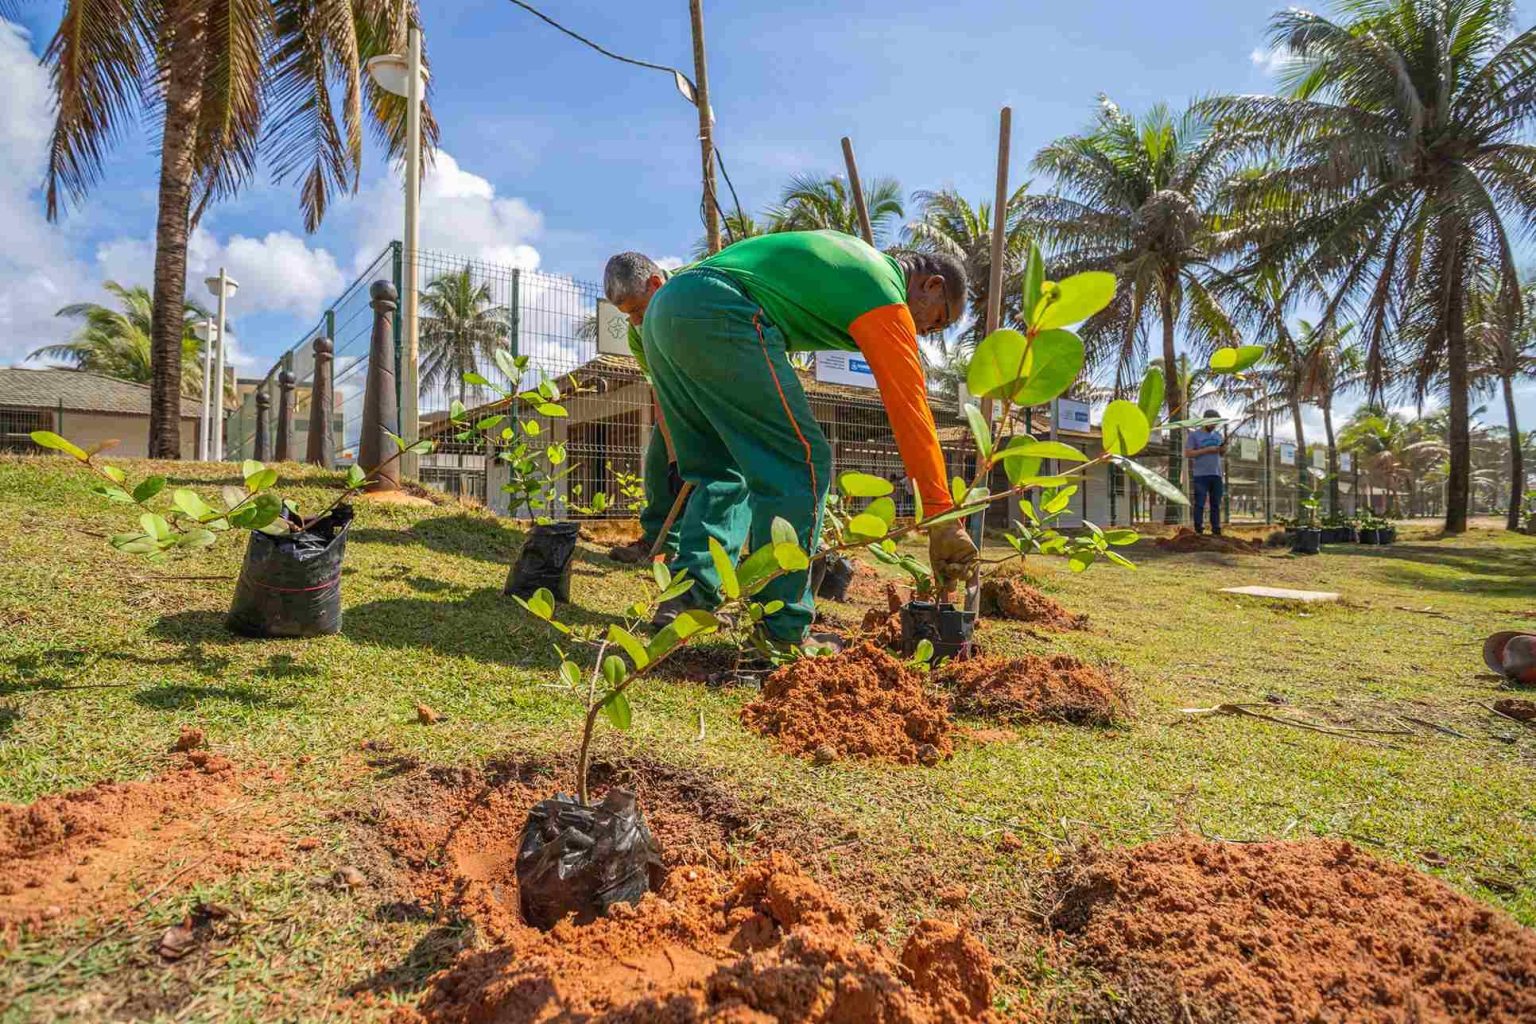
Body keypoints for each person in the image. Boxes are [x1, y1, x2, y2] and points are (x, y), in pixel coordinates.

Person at [641, 229, 979, 650]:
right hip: (720, 309)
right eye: (938, 321)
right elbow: (910, 409)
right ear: (932, 285)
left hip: (664, 313)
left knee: (721, 469)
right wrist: (942, 517)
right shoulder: (882, 290)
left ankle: (688, 599)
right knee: (802, 462)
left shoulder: (849, 263)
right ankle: (781, 631)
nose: (928, 332)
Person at [600, 253, 690, 564]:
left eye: (638, 310)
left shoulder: (698, 285)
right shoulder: (637, 334)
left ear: (655, 284)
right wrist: (676, 459)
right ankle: (658, 542)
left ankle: (704, 552)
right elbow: (661, 393)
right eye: (628, 315)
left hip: (734, 381)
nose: (636, 321)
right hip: (683, 394)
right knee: (657, 462)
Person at [1185, 411, 1227, 535]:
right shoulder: (1194, 436)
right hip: (1201, 474)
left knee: (1216, 503)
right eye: (1212, 422)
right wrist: (1207, 450)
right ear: (1205, 421)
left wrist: (1223, 450)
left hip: (1217, 474)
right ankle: (1198, 527)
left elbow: (1221, 453)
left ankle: (1216, 528)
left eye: (1216, 423)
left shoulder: (1218, 436)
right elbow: (1188, 453)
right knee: (1200, 502)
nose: (1214, 425)